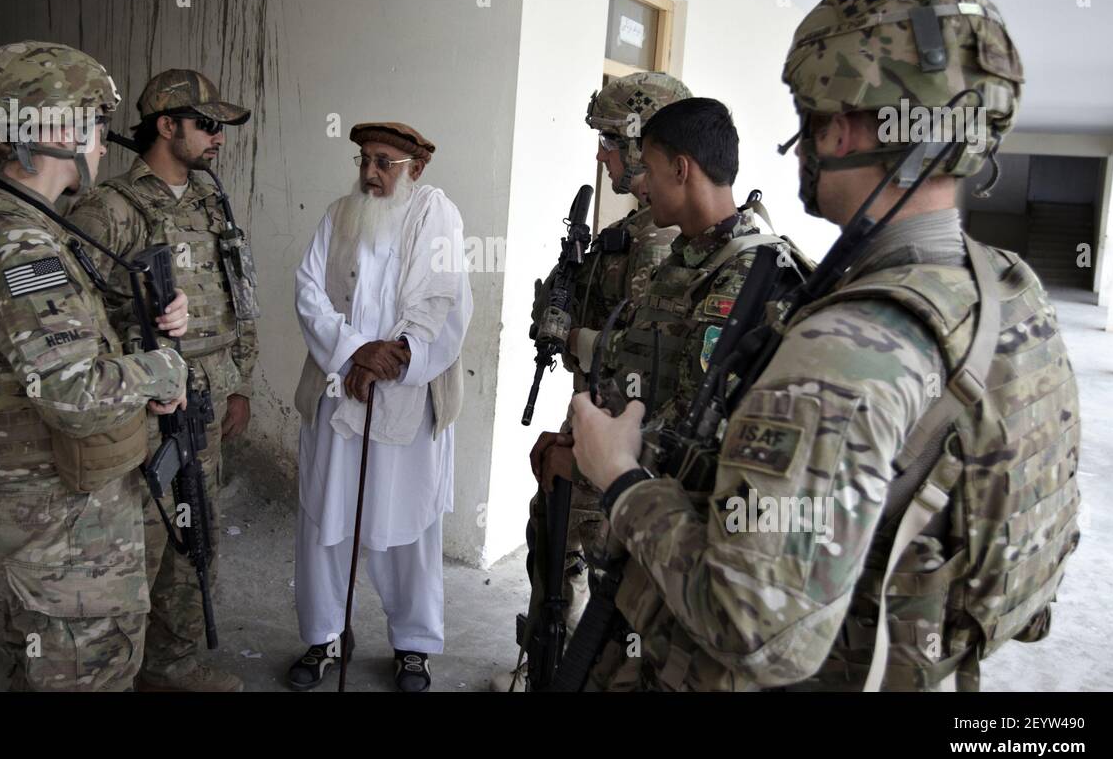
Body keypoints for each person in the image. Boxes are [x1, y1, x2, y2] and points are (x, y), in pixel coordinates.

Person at [571, 0, 1083, 691]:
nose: (800, 142)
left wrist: (621, 478)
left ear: (842, 126)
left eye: (808, 115)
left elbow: (755, 631)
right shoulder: (1005, 288)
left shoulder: (851, 346)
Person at [0, 41, 190, 691]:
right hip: (64, 532)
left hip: (45, 519)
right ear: (57, 129)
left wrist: (137, 327)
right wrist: (163, 372)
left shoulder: (11, 230)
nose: (101, 147)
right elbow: (75, 393)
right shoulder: (16, 248)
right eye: (96, 126)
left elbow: (41, 355)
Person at [563, 96, 801, 691]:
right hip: (640, 512)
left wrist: (594, 462)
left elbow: (699, 429)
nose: (636, 182)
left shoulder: (755, 276)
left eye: (645, 164)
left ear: (682, 168)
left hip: (687, 537)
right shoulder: (683, 258)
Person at [68, 68, 260, 692]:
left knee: (193, 527)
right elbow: (75, 322)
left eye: (221, 127)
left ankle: (171, 664)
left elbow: (240, 297)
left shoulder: (213, 202)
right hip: (141, 401)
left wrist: (241, 383)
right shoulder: (110, 209)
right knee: (138, 536)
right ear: (166, 125)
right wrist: (137, 362)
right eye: (207, 124)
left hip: (206, 390)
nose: (218, 137)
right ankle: (112, 666)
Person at [504, 73, 687, 691]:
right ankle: (551, 659)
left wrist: (570, 337)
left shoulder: (662, 239)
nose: (601, 154)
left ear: (644, 143)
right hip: (597, 421)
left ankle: (559, 667)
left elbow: (643, 358)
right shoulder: (636, 229)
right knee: (554, 538)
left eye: (611, 140)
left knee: (576, 552)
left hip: (628, 445)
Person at [290, 121, 472, 691]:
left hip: (408, 398)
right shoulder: (339, 214)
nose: (369, 173)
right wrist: (352, 352)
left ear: (415, 169)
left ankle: (413, 645)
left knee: (410, 527)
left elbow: (444, 304)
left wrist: (389, 360)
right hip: (340, 388)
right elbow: (308, 290)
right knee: (325, 518)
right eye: (364, 160)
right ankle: (323, 636)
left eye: (384, 163)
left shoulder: (437, 216)